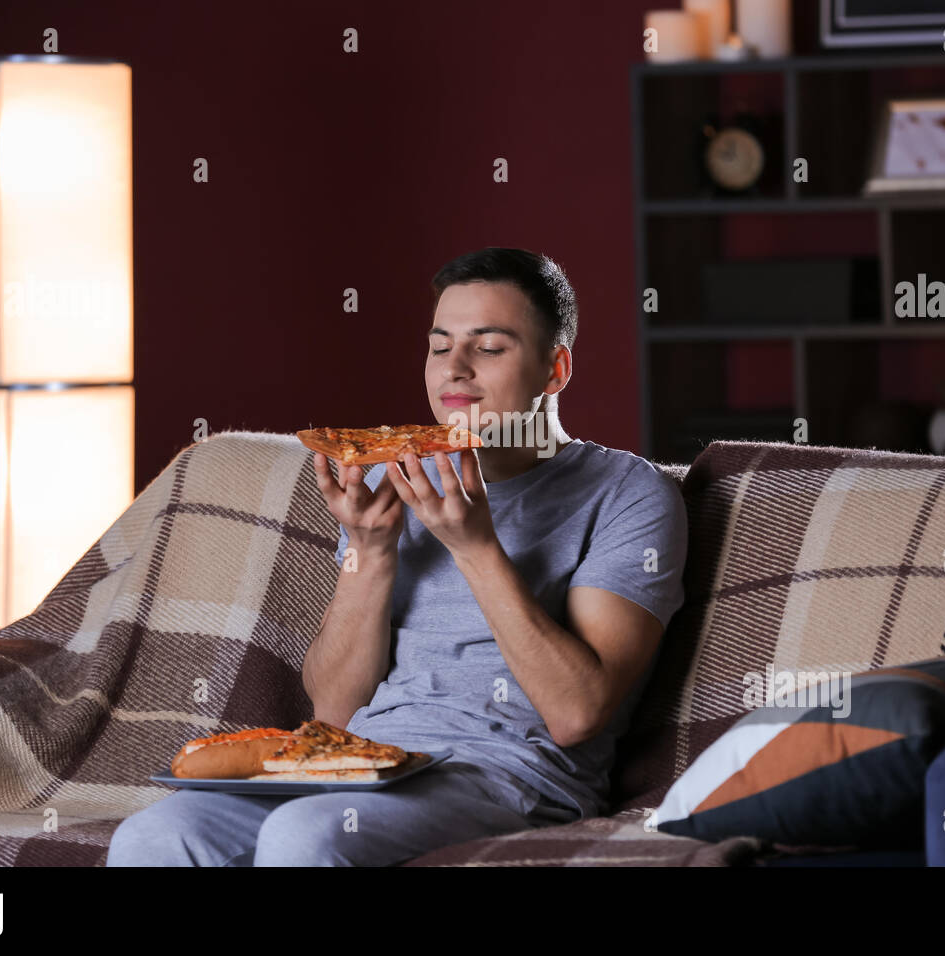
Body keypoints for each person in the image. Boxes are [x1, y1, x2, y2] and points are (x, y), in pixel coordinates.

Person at [106, 247, 688, 866]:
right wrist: (370, 550)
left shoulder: (630, 493)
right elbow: (333, 708)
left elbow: (577, 713)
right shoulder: (405, 481)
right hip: (366, 761)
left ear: (556, 368)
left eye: (488, 347)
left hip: (512, 773)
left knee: (308, 835)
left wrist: (477, 547)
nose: (454, 370)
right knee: (151, 836)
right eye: (440, 347)